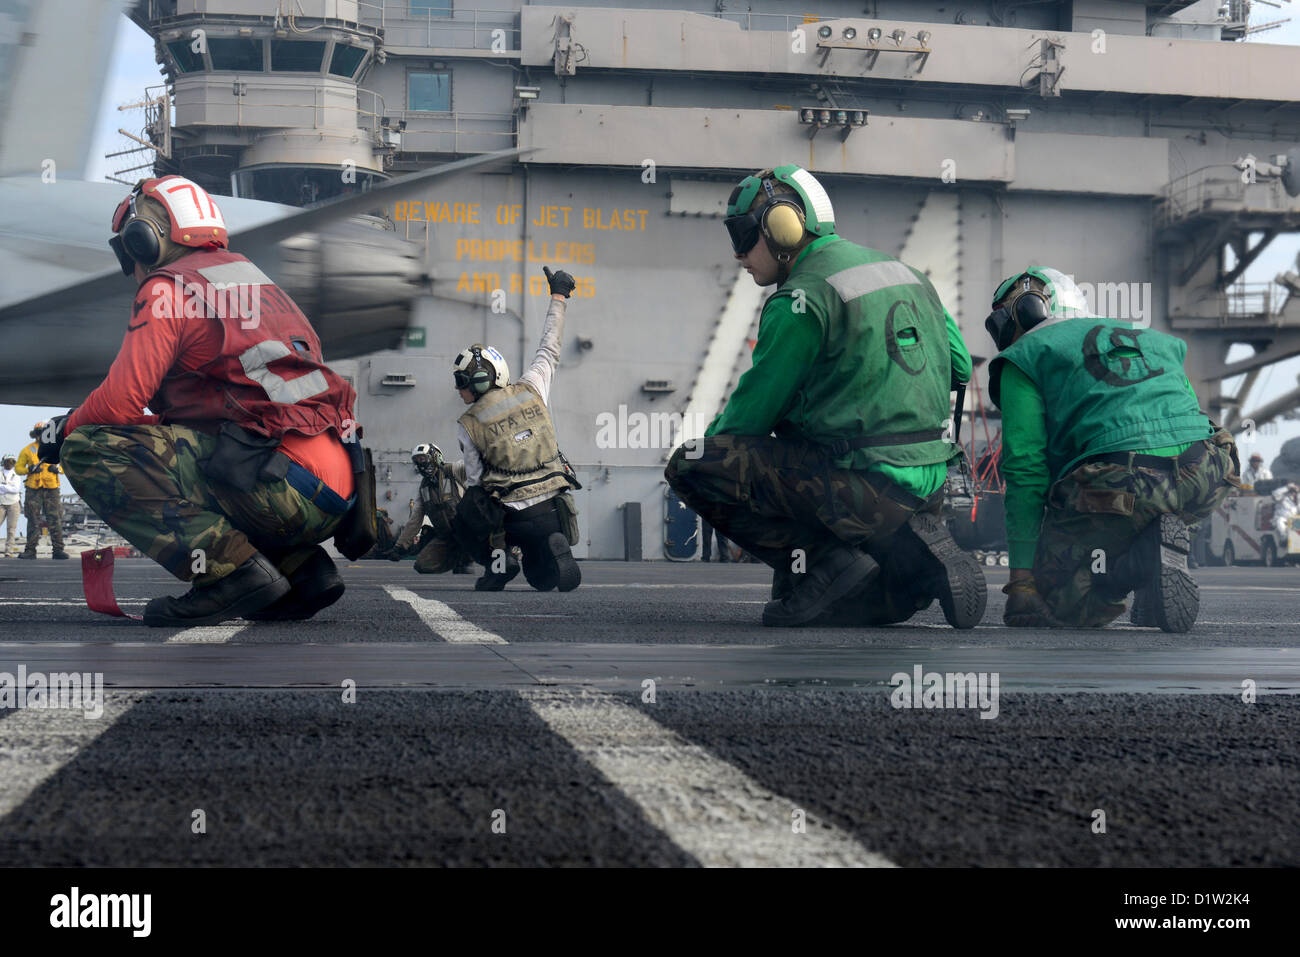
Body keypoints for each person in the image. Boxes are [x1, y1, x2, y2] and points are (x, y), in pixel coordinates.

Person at [666, 164, 985, 628]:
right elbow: (958, 367)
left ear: (783, 227)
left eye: (742, 236)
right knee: (855, 609)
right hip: (929, 484)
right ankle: (915, 569)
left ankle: (823, 562)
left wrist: (717, 452)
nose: (739, 255)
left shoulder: (800, 298)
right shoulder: (909, 274)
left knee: (693, 464)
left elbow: (748, 420)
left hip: (859, 487)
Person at [39, 175, 362, 626]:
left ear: (144, 239)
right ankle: (302, 569)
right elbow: (239, 415)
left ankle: (228, 576)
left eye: (127, 250)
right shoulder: (259, 286)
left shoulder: (167, 290)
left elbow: (118, 404)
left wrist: (66, 426)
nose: (130, 265)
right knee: (199, 453)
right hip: (333, 491)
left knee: (91, 449)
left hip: (278, 484)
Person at [985, 267, 1239, 632]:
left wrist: (1024, 580)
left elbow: (1025, 469)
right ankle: (1157, 568)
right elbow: (1188, 415)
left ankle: (1132, 569)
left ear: (1028, 309)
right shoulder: (1155, 339)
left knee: (1060, 600)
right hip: (1206, 470)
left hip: (1119, 483)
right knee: (1151, 498)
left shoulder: (1024, 356)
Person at [450, 266, 583, 592]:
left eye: (460, 382)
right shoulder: (533, 387)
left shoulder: (468, 424)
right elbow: (549, 346)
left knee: (467, 512)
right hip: (554, 510)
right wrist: (559, 296)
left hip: (514, 522)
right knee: (541, 579)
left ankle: (499, 564)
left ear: (475, 383)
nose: (458, 390)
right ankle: (551, 545)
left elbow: (476, 482)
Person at [392, 442, 472, 574]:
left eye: (423, 458)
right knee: (422, 566)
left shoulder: (452, 470)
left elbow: (472, 466)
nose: (421, 463)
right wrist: (400, 546)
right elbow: (415, 519)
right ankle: (457, 558)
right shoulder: (424, 488)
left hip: (467, 532)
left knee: (485, 546)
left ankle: (472, 556)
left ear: (435, 457)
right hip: (446, 536)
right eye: (417, 460)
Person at [16, 423, 69, 559]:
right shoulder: (28, 450)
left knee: (55, 518)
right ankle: (30, 550)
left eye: (44, 432)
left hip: (51, 489)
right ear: (36, 435)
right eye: (39, 433)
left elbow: (65, 464)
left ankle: (58, 550)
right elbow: (18, 468)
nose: (41, 435)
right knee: (33, 519)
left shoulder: (56, 449)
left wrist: (58, 470)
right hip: (34, 489)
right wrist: (29, 469)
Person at [1, 453, 21, 558]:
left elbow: (16, 489)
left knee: (11, 529)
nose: (9, 464)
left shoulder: (16, 474)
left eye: (12, 461)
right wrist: (8, 487)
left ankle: (9, 550)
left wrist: (3, 488)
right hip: (1, 503)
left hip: (13, 503)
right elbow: (12, 488)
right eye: (8, 461)